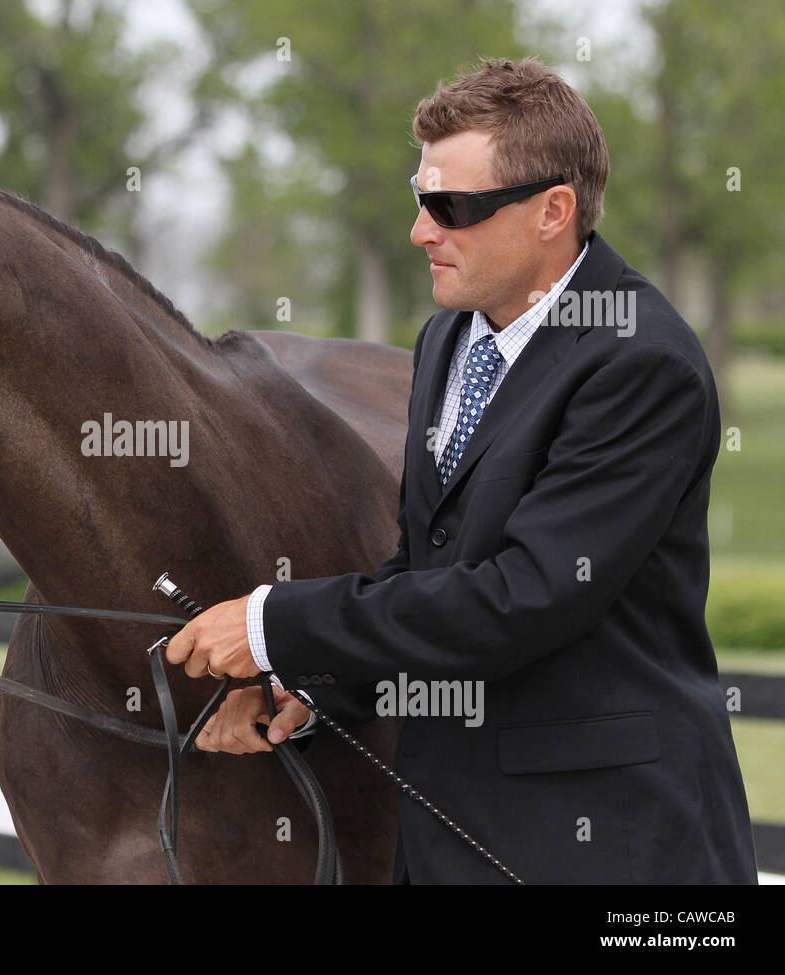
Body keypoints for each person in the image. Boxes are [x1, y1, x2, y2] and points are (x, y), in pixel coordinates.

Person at [166, 57, 757, 884]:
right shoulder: (449, 337)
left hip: (612, 848)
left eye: (451, 206)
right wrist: (314, 686)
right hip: (449, 841)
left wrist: (273, 624)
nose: (421, 230)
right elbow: (429, 570)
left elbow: (522, 597)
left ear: (554, 210)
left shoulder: (642, 360)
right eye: (420, 199)